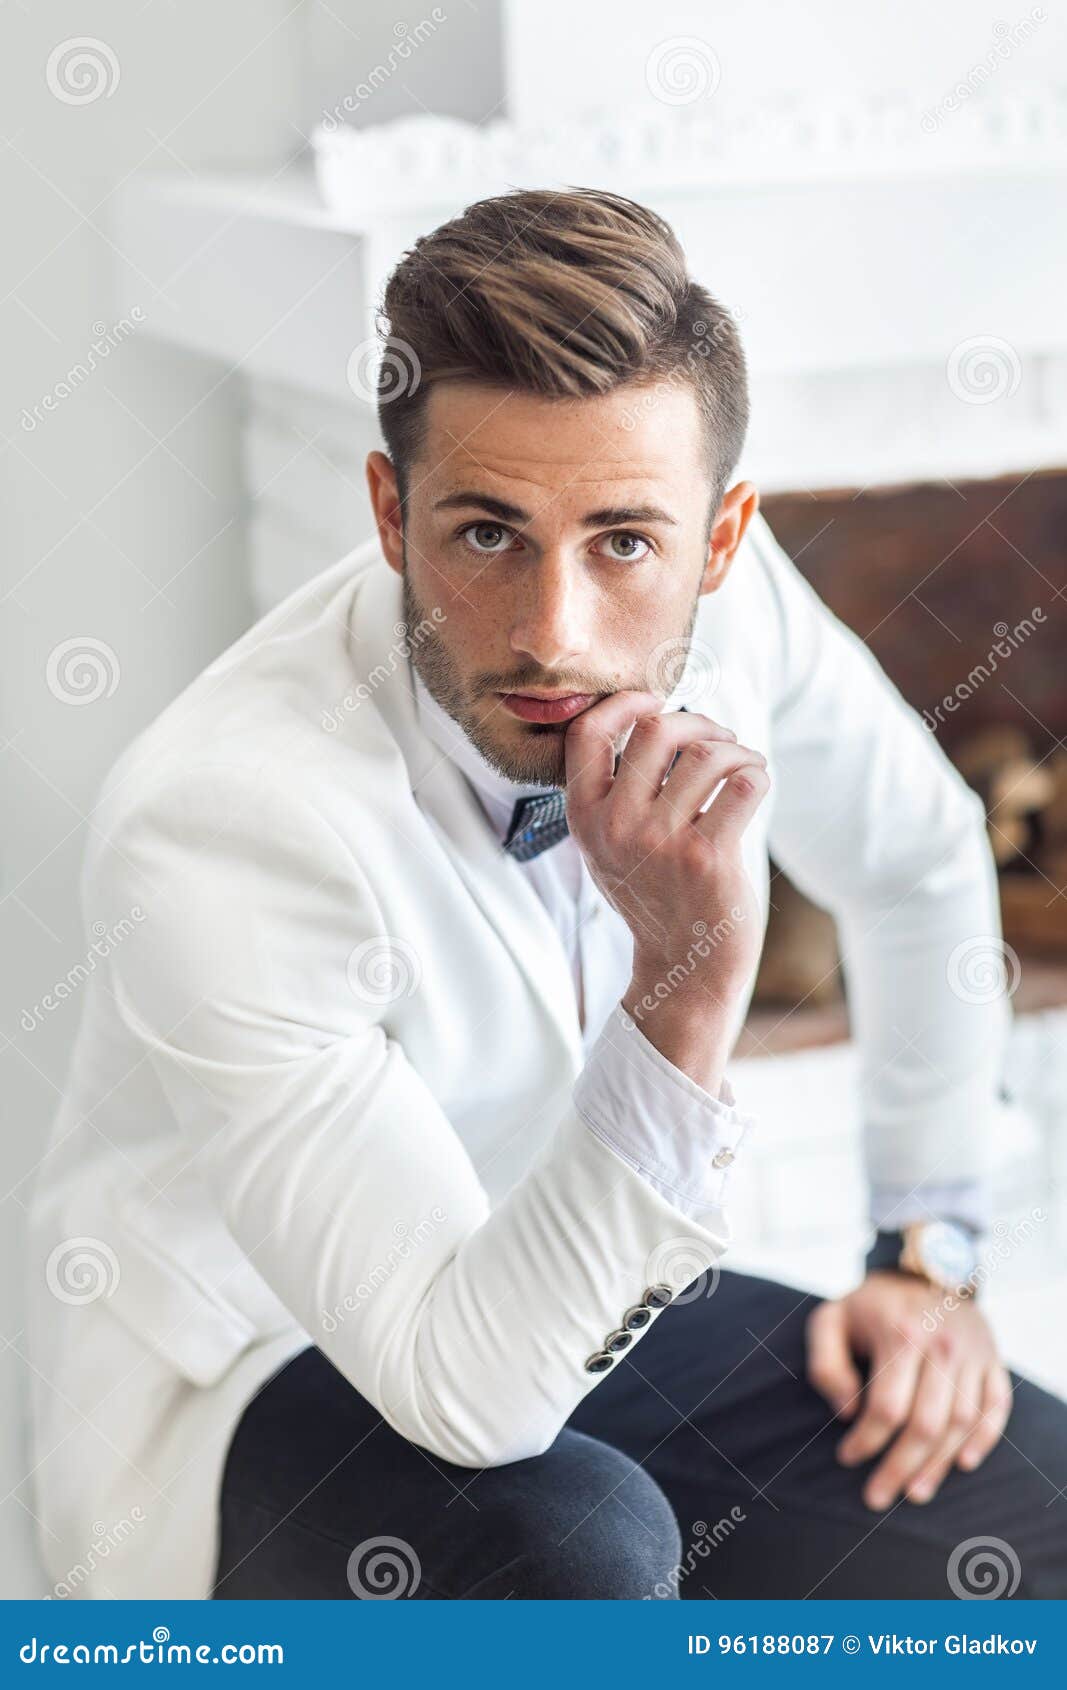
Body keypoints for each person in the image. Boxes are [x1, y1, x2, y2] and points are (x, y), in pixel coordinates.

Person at [27, 188, 1067, 1601]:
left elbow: (918, 853)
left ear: (718, 537)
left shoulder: (735, 604)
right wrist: (688, 983)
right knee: (570, 1548)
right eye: (486, 533)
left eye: (625, 544)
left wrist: (925, 1247)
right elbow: (470, 1398)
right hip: (259, 1360)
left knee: (1036, 1501)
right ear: (391, 512)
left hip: (573, 1284)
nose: (552, 632)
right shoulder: (215, 824)